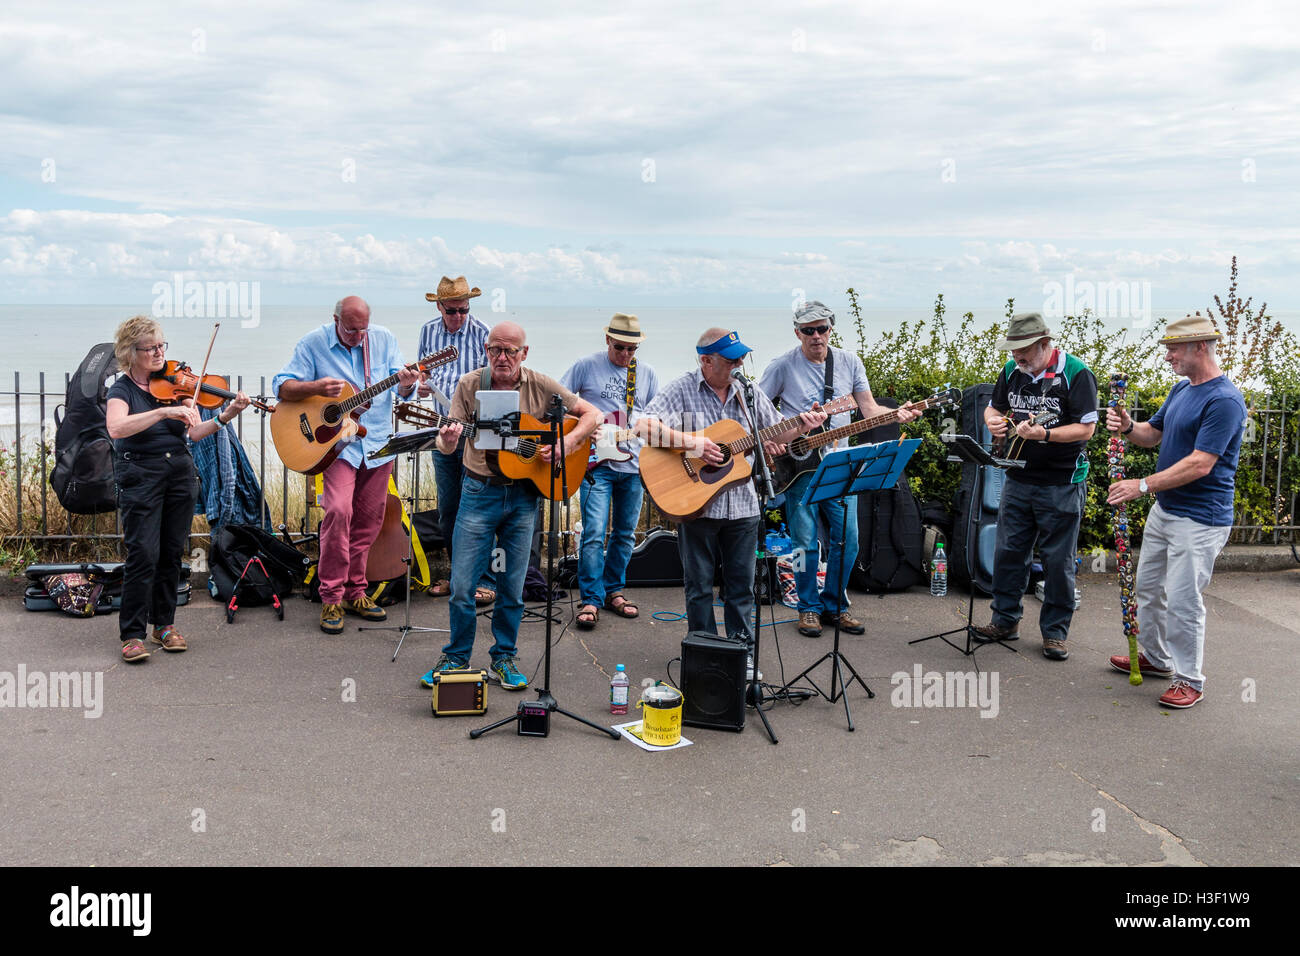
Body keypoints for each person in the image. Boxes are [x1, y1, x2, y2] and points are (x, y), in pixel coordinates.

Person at [422, 321, 601, 690]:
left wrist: (567, 445)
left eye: (510, 351)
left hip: (524, 499)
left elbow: (593, 415)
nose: (501, 357)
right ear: (486, 350)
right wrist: (447, 439)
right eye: (494, 350)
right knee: (461, 584)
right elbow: (447, 447)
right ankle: (456, 656)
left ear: (524, 353)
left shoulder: (541, 385)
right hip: (478, 493)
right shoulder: (470, 384)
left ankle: (504, 656)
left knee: (512, 587)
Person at [636, 328, 826, 676]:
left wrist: (804, 425)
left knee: (741, 588)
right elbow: (642, 426)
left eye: (740, 356)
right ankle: (703, 653)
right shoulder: (682, 389)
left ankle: (742, 655)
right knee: (698, 588)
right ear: (706, 361)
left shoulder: (749, 393)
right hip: (697, 506)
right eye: (730, 358)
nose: (739, 362)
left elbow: (777, 431)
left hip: (743, 507)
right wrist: (691, 444)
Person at [1105, 316, 1247, 709]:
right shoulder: (1181, 389)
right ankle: (1157, 658)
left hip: (1201, 519)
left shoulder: (1225, 400)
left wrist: (1142, 486)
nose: (1168, 356)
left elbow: (1201, 464)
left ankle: (1190, 679)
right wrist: (1128, 425)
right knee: (1149, 589)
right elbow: (1152, 435)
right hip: (1167, 512)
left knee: (1183, 599)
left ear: (1200, 347)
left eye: (1174, 349)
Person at [759, 300, 920, 637]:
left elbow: (869, 409)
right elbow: (759, 413)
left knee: (849, 539)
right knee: (804, 543)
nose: (816, 336)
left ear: (831, 329)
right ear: (797, 333)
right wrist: (781, 439)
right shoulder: (782, 366)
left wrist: (898, 413)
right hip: (797, 467)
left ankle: (834, 605)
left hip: (839, 464)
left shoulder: (848, 362)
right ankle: (807, 608)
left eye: (822, 329)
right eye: (808, 330)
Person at [105, 316, 251, 662]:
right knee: (143, 554)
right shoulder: (121, 390)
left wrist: (226, 414)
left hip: (179, 475)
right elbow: (116, 427)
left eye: (161, 346)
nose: (159, 353)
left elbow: (195, 434)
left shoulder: (174, 388)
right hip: (140, 475)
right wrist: (162, 413)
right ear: (130, 352)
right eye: (150, 348)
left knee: (171, 553)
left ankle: (165, 625)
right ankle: (132, 634)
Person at [272, 296, 421, 634]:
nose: (358, 335)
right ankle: (331, 597)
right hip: (339, 448)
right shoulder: (313, 344)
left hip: (378, 442)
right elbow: (281, 385)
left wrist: (409, 384)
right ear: (335, 319)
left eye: (362, 329)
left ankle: (357, 592)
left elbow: (403, 390)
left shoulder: (383, 339)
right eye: (351, 329)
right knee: (339, 512)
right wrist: (316, 387)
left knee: (369, 521)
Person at [976, 312, 1098, 660]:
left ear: (1045, 344)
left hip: (1061, 482)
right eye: (1014, 351)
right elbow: (992, 408)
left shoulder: (1076, 373)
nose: (1018, 358)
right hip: (1017, 477)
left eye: (1024, 351)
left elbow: (1086, 429)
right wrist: (995, 423)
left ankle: (1055, 633)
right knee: (1009, 553)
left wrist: (1045, 434)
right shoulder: (1011, 370)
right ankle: (1004, 620)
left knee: (1058, 561)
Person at [560, 313, 660, 630]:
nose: (626, 355)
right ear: (607, 340)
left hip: (633, 465)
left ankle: (614, 591)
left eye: (632, 349)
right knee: (592, 534)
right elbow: (559, 402)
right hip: (595, 465)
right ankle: (590, 598)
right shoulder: (585, 366)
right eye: (620, 348)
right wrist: (579, 430)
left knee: (625, 534)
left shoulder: (647, 374)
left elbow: (656, 414)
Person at [418, 275, 494, 604]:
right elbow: (421, 374)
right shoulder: (428, 332)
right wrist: (418, 385)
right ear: (440, 306)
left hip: (475, 432)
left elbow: (494, 382)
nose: (459, 316)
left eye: (464, 310)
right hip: (442, 428)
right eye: (452, 311)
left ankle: (484, 578)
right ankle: (456, 575)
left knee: (478, 506)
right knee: (449, 508)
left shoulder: (483, 333)